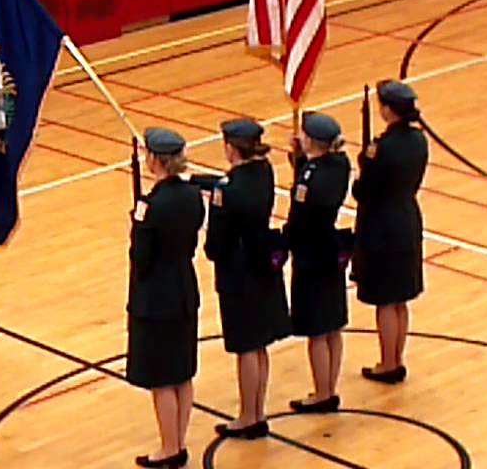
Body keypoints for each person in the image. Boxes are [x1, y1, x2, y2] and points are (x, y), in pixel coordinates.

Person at [199, 118, 291, 440]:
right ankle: (257, 410)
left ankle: (247, 416)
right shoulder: (264, 172)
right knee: (259, 346)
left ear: (230, 148)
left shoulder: (228, 193)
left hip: (239, 273)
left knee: (246, 347)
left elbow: (216, 246)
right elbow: (234, 186)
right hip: (263, 262)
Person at [126, 127, 205, 468]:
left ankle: (169, 448)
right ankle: (179, 440)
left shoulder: (151, 205)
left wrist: (136, 224)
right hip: (184, 288)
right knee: (181, 373)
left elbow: (141, 258)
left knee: (161, 378)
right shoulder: (192, 196)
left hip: (156, 297)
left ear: (157, 160)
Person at [351, 79, 428, 384]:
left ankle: (388, 362)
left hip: (381, 226)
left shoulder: (381, 149)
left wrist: (364, 168)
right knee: (400, 299)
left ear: (387, 110)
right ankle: (397, 358)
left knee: (385, 299)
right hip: (407, 219)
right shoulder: (419, 140)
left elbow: (363, 192)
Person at [283, 112, 351, 413]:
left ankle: (322, 393)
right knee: (333, 326)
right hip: (331, 247)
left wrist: (284, 241)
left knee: (317, 331)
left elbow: (299, 216)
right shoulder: (340, 165)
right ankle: (330, 386)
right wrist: (301, 159)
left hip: (310, 254)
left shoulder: (312, 178)